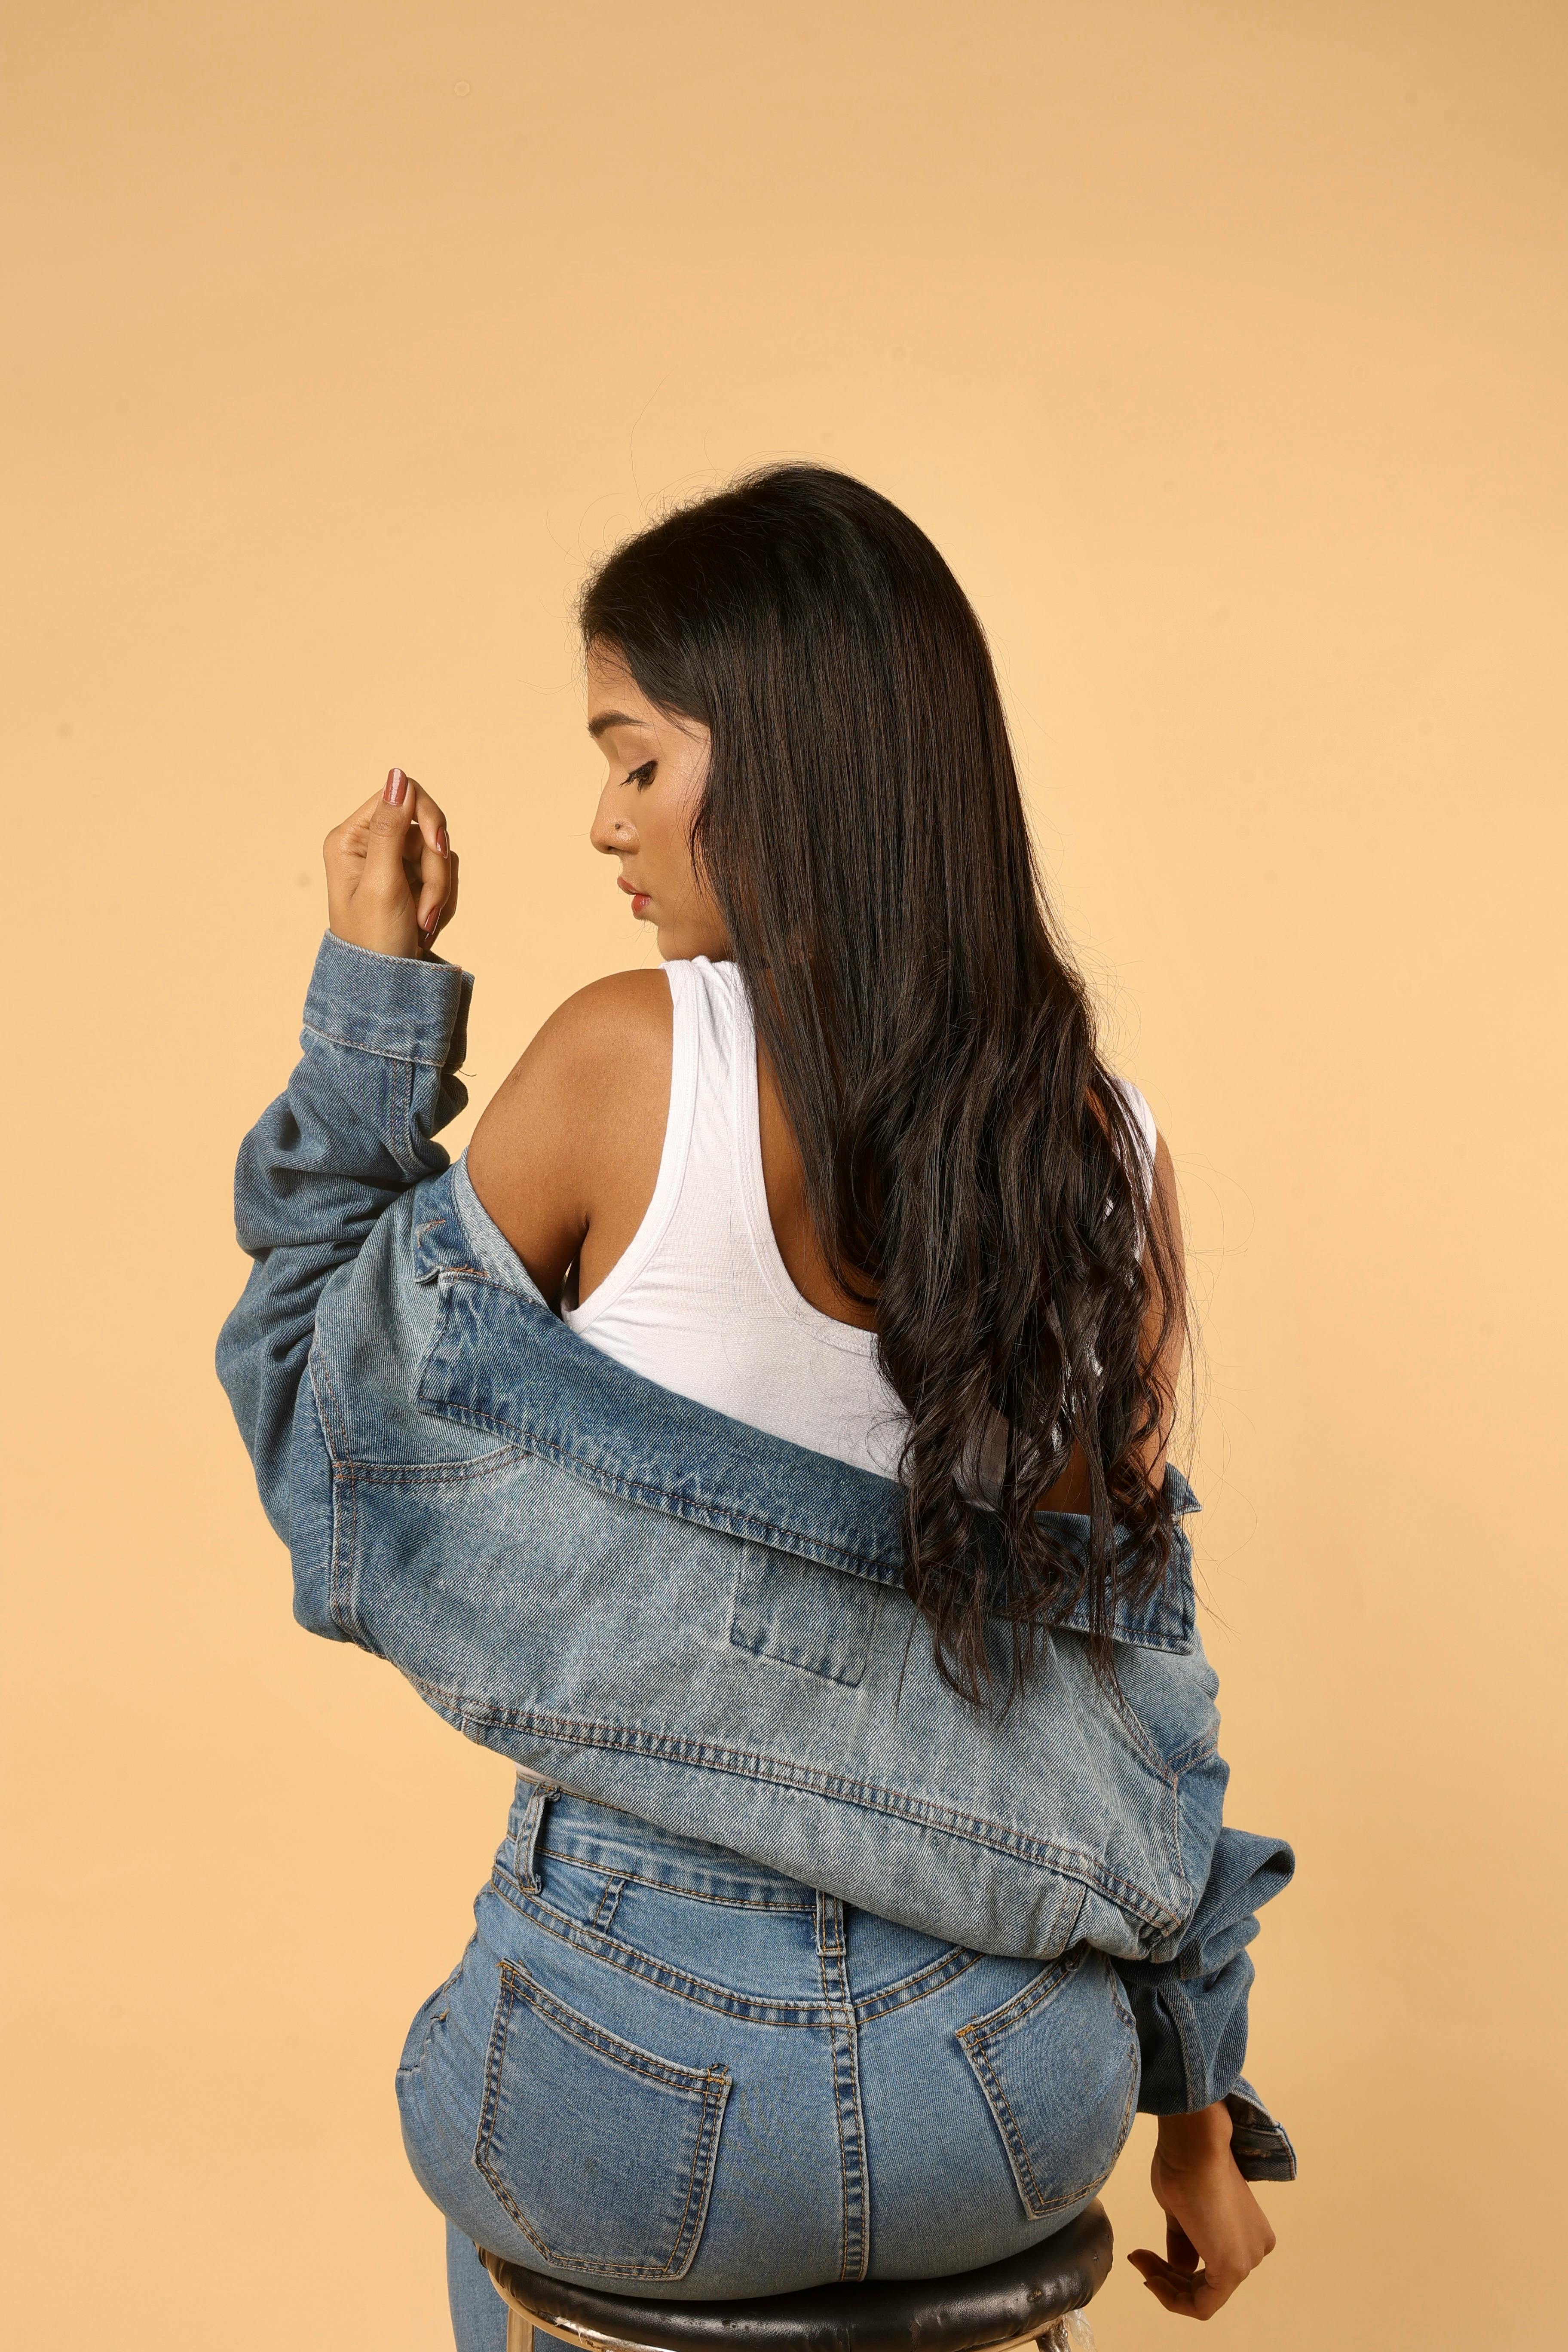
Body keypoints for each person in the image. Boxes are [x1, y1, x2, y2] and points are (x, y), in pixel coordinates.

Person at [218, 467, 1292, 2350]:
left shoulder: (631, 1067)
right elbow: (1147, 1685)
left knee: (492, 2151)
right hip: (1004, 2086)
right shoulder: (1101, 1151)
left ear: (786, 755)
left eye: (637, 759)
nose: (603, 823)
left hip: (629, 2081)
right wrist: (1194, 2117)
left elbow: (326, 1440)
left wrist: (372, 997)